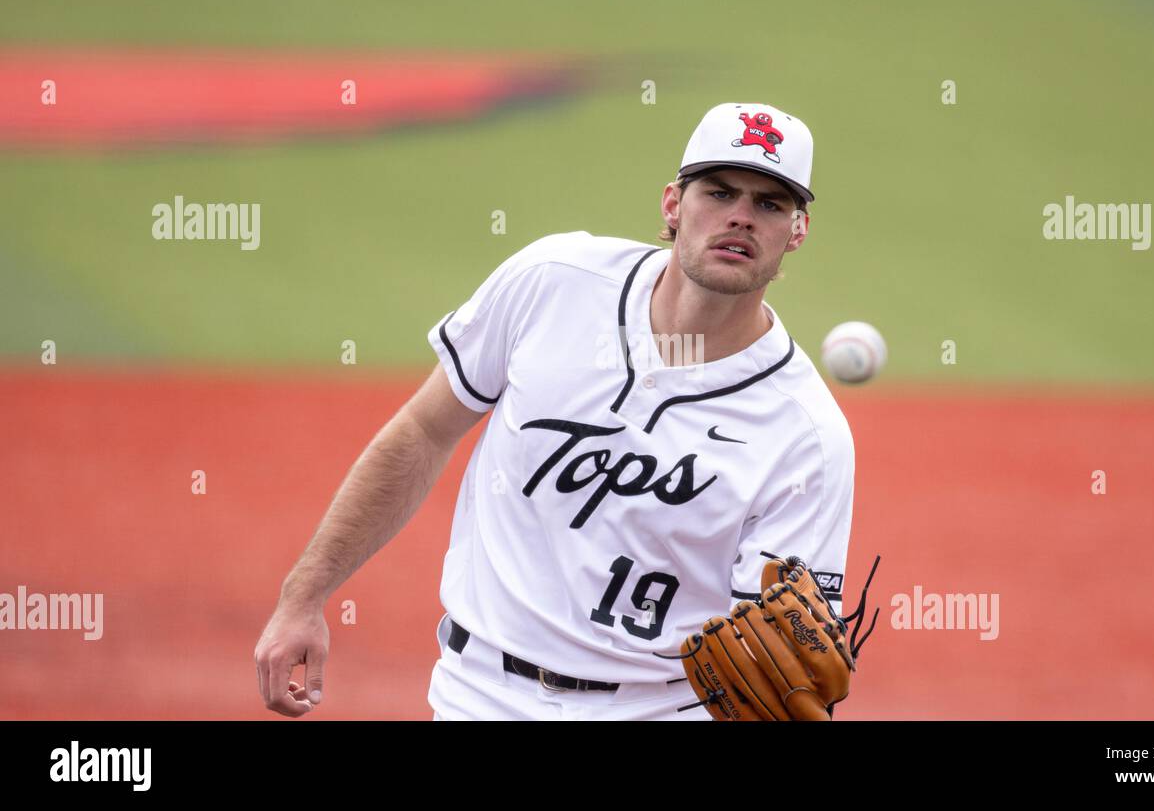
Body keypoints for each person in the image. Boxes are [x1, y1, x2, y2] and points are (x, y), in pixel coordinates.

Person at [254, 102, 855, 720]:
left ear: (798, 231)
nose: (740, 217)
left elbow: (780, 656)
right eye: (720, 192)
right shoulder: (553, 283)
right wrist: (304, 596)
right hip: (477, 695)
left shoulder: (805, 434)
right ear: (673, 204)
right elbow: (424, 430)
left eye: (770, 204)